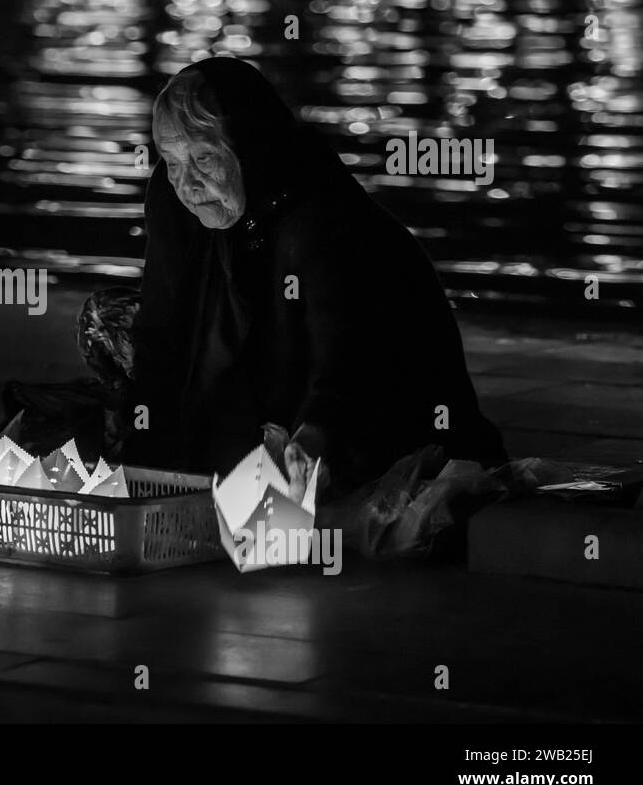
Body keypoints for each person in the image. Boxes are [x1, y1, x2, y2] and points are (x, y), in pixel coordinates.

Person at [78, 57, 507, 503]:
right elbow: (162, 326)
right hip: (257, 391)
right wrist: (147, 445)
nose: (188, 184)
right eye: (171, 161)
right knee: (107, 320)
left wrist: (315, 437)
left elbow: (345, 350)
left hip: (364, 404)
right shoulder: (174, 198)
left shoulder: (320, 216)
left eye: (205, 157)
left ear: (247, 146)